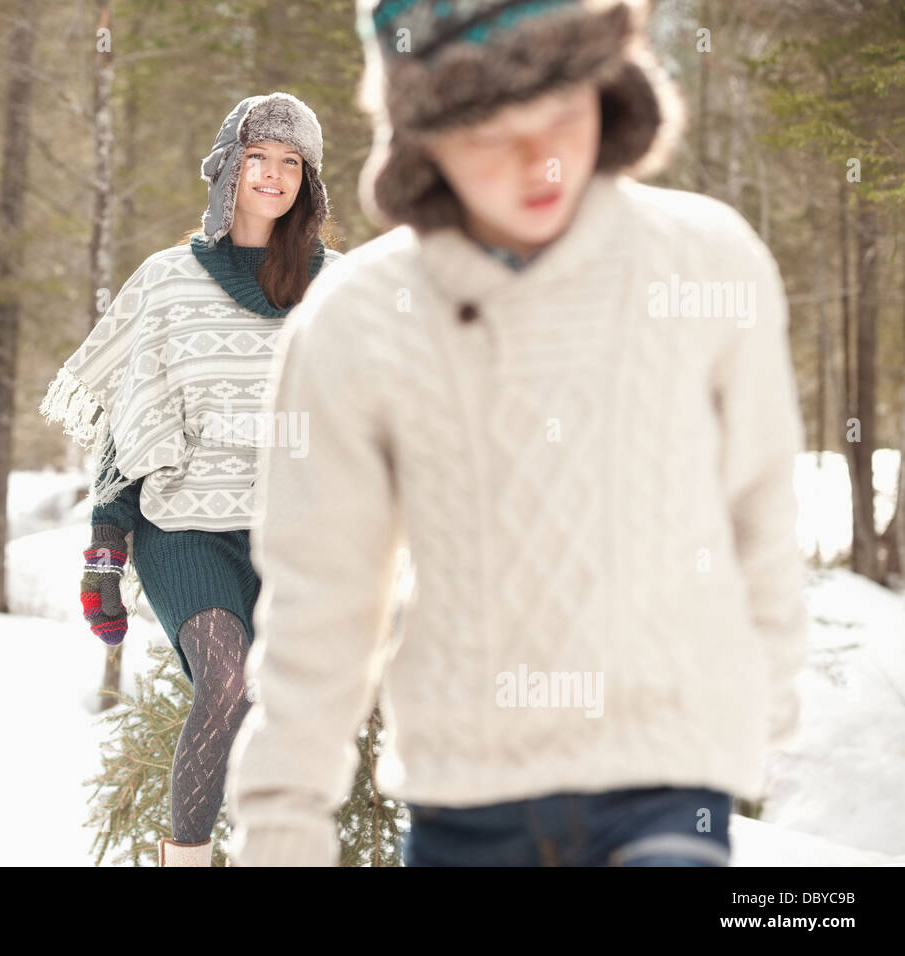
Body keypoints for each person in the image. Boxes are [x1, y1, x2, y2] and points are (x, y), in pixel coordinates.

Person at [224, 0, 808, 867]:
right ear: (426, 138)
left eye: (567, 113)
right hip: (468, 800)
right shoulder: (356, 322)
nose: (543, 160)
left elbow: (761, 503)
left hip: (666, 780)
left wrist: (760, 704)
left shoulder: (708, 263)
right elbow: (322, 598)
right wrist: (282, 821)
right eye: (496, 133)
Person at [38, 91, 344, 866]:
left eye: (290, 163)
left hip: (294, 534)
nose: (272, 176)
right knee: (228, 674)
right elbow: (123, 423)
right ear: (226, 170)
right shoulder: (168, 281)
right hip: (183, 527)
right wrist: (104, 557)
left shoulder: (339, 288)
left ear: (307, 181)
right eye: (257, 159)